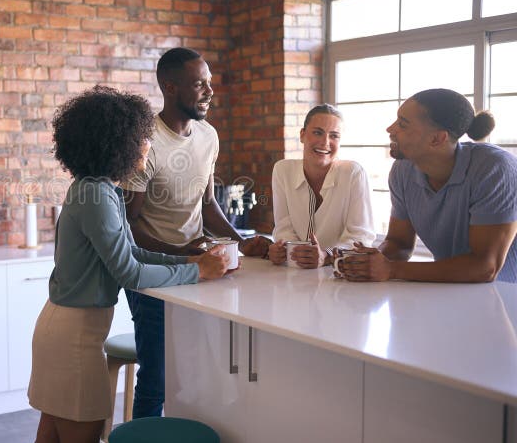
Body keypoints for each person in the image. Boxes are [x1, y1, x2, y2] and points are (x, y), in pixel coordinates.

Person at [28, 86, 229, 443]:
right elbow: (129, 272)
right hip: (73, 337)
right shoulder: (95, 195)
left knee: (52, 434)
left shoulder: (99, 189)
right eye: (142, 139)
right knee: (82, 433)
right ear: (115, 143)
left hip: (67, 329)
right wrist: (197, 271)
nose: (147, 147)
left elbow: (131, 252)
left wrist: (189, 259)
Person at [120, 47, 270, 418]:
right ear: (170, 87)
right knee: (157, 378)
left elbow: (206, 205)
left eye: (210, 83)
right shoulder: (145, 142)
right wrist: (180, 253)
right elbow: (130, 224)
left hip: (197, 268)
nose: (209, 92)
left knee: (199, 373)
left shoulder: (208, 136)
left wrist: (241, 240)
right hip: (153, 274)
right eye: (199, 84)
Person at [337, 88, 517, 283]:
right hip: (450, 292)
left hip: (505, 297)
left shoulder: (495, 169)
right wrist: (365, 262)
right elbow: (399, 243)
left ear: (437, 138)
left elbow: (485, 267)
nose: (390, 129)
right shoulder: (402, 170)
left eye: (402, 124)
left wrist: (392, 269)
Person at [267, 104, 375, 267]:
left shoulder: (353, 173)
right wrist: (282, 250)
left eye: (334, 136)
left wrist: (327, 256)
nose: (325, 142)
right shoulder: (282, 170)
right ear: (302, 135)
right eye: (317, 132)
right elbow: (283, 229)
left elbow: (361, 237)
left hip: (341, 276)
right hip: (295, 276)